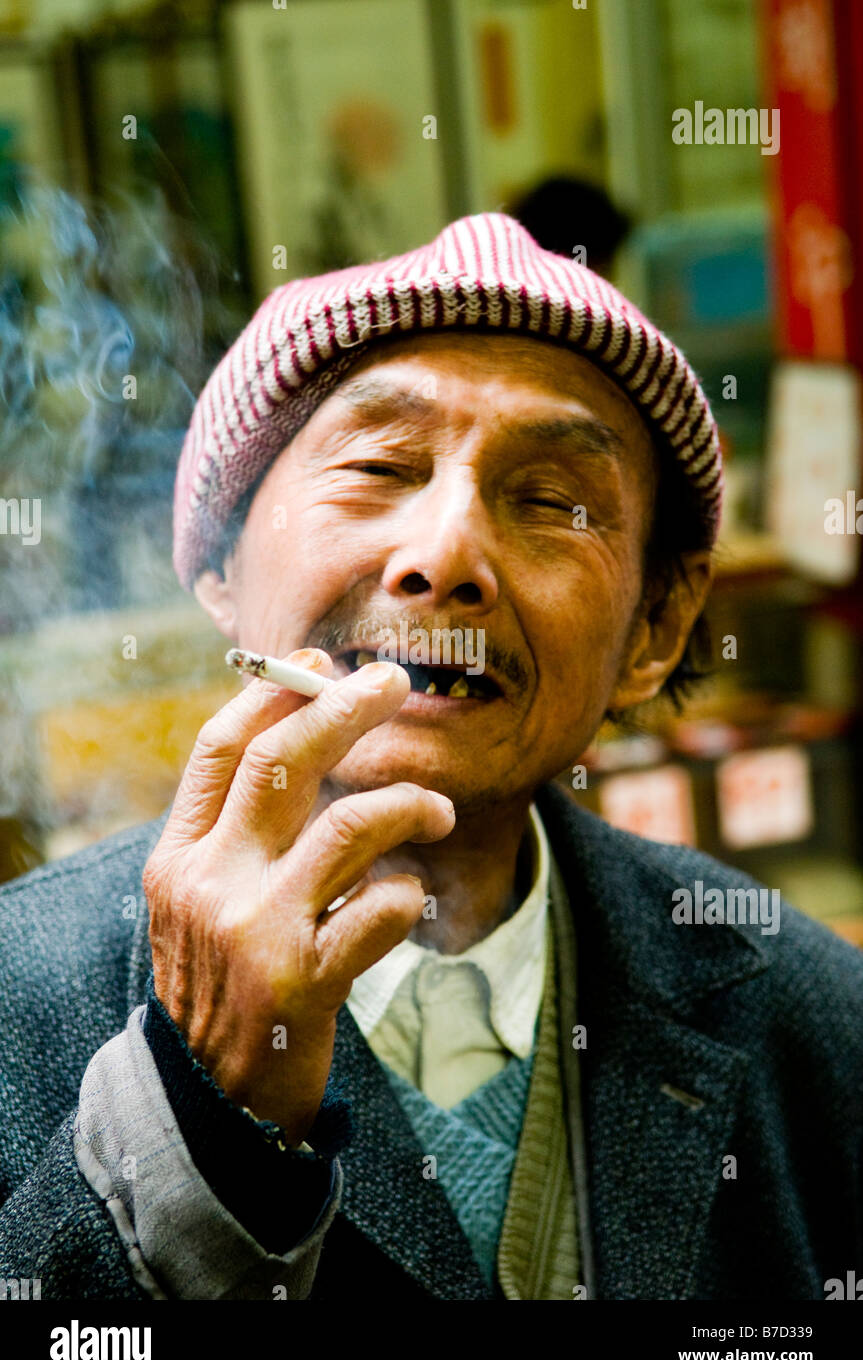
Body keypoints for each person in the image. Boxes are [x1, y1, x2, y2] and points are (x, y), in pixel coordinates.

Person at [0, 213, 860, 1301]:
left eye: (550, 500)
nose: (446, 553)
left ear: (655, 624)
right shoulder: (15, 996)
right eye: (378, 465)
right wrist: (194, 1124)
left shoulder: (814, 1019)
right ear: (220, 563)